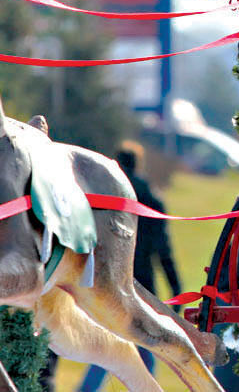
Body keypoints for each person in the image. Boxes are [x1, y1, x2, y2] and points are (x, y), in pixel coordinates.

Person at [76, 141, 182, 392]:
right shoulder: (152, 200)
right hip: (142, 284)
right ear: (138, 165)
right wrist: (175, 287)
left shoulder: (105, 197)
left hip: (108, 280)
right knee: (144, 346)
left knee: (108, 343)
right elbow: (163, 249)